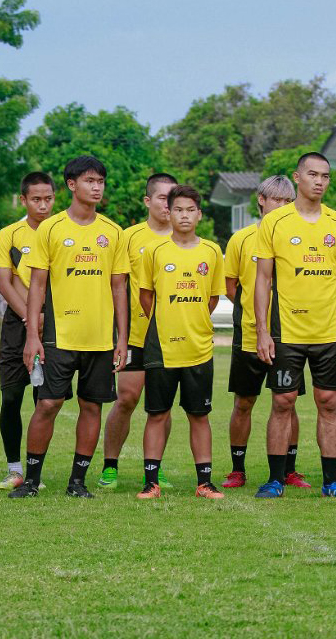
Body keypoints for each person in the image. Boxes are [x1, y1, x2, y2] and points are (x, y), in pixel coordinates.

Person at [9, 155, 130, 499]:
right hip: (58, 336)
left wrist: (122, 339)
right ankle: (31, 481)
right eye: (90, 181)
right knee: (48, 404)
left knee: (92, 406)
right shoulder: (50, 228)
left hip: (100, 339)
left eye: (101, 182)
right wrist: (32, 335)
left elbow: (119, 287)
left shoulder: (112, 232)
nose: (97, 187)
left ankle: (77, 481)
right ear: (72, 185)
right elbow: (36, 286)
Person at [252, 152, 336, 498]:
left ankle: (331, 482)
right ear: (297, 178)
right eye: (312, 174)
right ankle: (274, 480)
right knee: (283, 402)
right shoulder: (275, 222)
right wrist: (263, 332)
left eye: (325, 176)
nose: (319, 181)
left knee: (329, 402)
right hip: (286, 333)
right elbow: (263, 279)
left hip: (327, 332)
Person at [136, 185, 225, 500]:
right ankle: (151, 483)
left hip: (198, 347)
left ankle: (204, 483)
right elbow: (146, 296)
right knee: (157, 414)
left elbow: (212, 298)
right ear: (168, 213)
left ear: (199, 214)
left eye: (190, 210)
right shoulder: (157, 251)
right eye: (178, 210)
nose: (184, 215)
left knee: (199, 415)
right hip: (161, 346)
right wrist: (168, 319)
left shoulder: (212, 251)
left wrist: (193, 319)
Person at [221, 176, 309, 489]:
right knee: (244, 403)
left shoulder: (299, 236)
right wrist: (255, 314)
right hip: (248, 335)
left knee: (287, 403)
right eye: (277, 200)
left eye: (288, 201)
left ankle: (289, 470)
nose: (282, 207)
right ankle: (237, 469)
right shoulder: (241, 239)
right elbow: (231, 287)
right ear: (261, 200)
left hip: (289, 336)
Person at [99, 173, 176, 489]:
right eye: (162, 198)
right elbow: (114, 286)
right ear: (148, 201)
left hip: (171, 339)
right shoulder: (128, 237)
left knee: (162, 403)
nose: (169, 205)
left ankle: (155, 468)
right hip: (134, 336)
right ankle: (110, 466)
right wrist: (117, 333)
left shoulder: (184, 238)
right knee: (127, 397)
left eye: (174, 198)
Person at [0, 171, 55, 490]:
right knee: (11, 396)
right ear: (24, 200)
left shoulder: (61, 231)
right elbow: (5, 281)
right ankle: (14, 469)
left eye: (48, 199)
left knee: (44, 399)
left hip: (55, 323)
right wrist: (31, 318)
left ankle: (34, 472)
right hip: (18, 324)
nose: (43, 205)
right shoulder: (10, 234)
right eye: (36, 199)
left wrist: (46, 317)